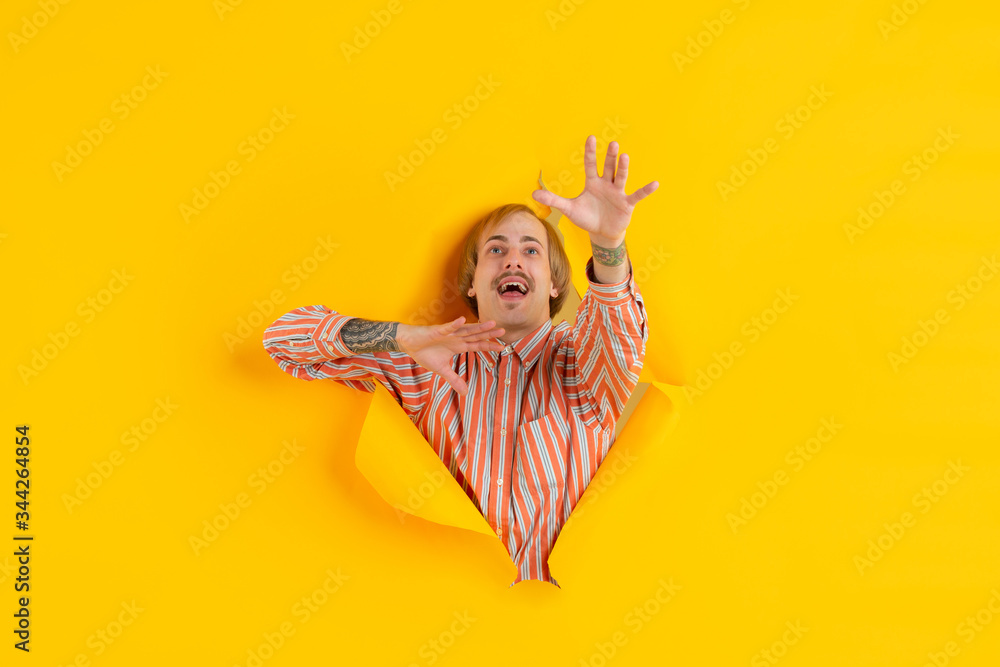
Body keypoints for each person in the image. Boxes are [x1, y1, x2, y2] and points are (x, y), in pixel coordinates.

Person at [262, 135, 658, 587]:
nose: (513, 261)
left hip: (562, 619)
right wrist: (402, 337)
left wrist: (608, 245)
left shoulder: (585, 367)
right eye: (496, 250)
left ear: (554, 284)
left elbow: (620, 337)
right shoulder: (427, 363)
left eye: (531, 250)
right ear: (472, 283)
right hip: (450, 613)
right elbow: (283, 340)